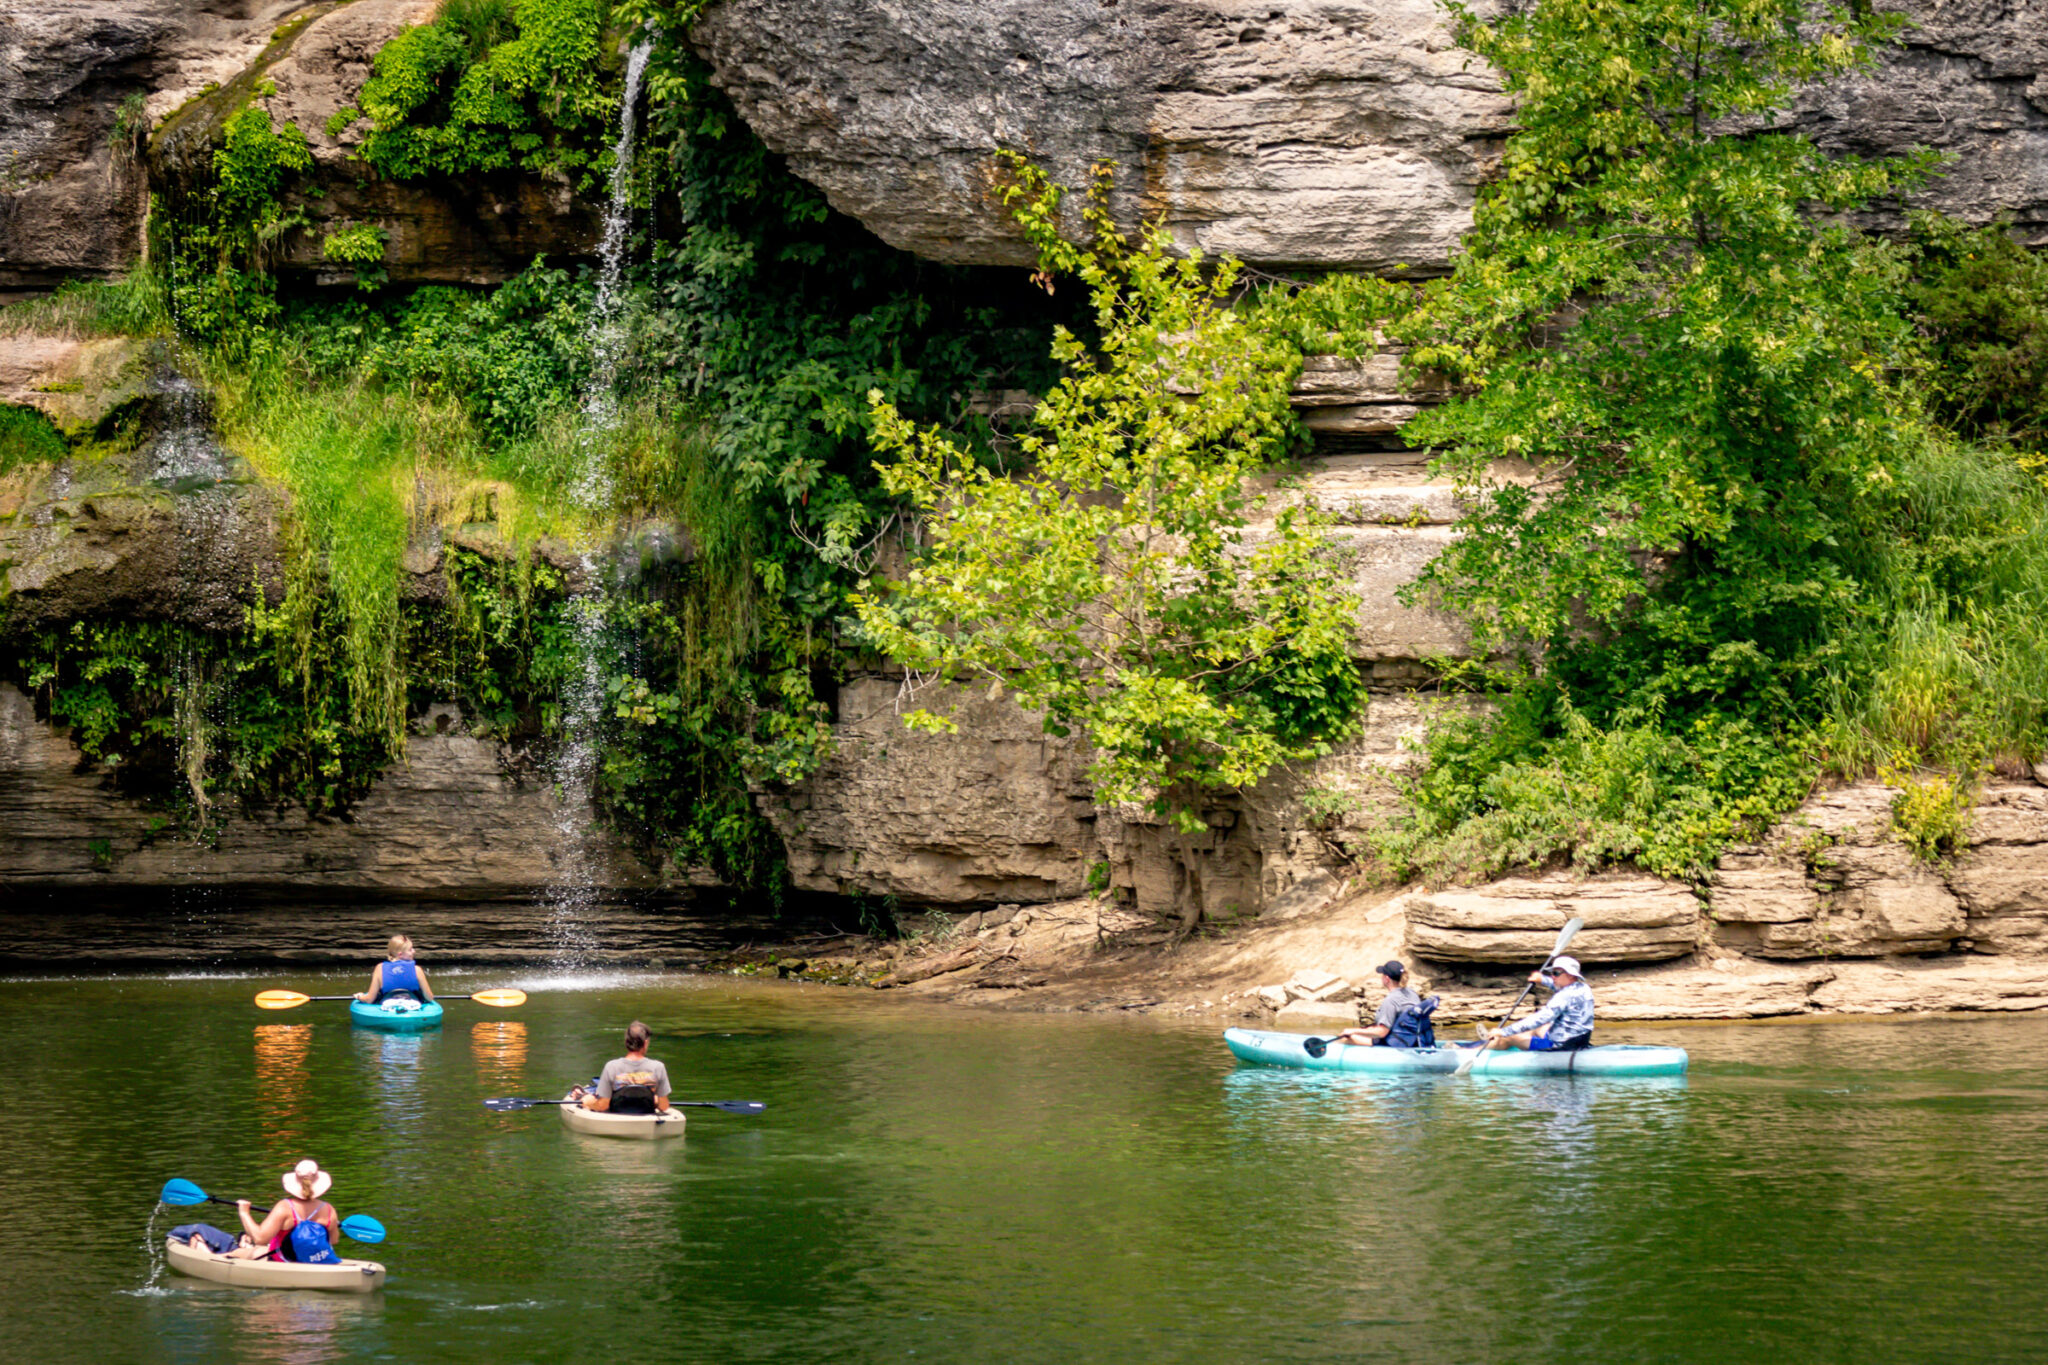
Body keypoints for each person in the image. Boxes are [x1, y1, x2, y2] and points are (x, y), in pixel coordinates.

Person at [221, 1159, 342, 1263]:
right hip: (315, 1261)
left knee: (239, 1252)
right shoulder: (328, 1209)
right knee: (255, 1249)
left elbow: (260, 1239)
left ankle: (229, 1252)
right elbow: (334, 1240)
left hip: (283, 1261)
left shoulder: (285, 1207)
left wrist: (244, 1213)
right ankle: (244, 1242)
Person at [1482, 954, 1594, 1052]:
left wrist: (1504, 1032)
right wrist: (1542, 979)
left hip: (1561, 1046)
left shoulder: (1563, 996)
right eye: (1551, 973)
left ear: (1570, 975)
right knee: (1539, 1029)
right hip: (1579, 1040)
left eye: (1556, 973)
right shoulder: (1583, 988)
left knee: (1509, 1037)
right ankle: (1496, 1041)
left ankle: (1476, 1049)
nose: (1552, 976)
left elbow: (1539, 1019)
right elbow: (1561, 988)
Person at [1329, 961, 1438, 1048]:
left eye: (1382, 975)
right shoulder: (1412, 993)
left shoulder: (1390, 1000)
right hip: (1412, 1040)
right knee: (1361, 1033)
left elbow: (1382, 1032)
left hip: (1393, 1043)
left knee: (1345, 1038)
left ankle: (1326, 1053)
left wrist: (1352, 1030)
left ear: (1386, 979)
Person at [571, 1020, 672, 1114]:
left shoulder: (611, 1066)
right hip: (646, 1116)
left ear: (626, 1043)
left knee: (591, 1098)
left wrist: (588, 1102)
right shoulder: (658, 1067)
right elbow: (663, 1107)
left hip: (617, 1115)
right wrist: (654, 1099)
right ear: (645, 1043)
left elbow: (603, 1106)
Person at [356, 934, 434, 1005]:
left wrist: (360, 997)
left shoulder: (379, 968)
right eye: (410, 950)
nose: (414, 951)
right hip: (412, 1006)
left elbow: (370, 999)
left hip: (387, 1007)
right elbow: (429, 997)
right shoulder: (417, 970)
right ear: (400, 954)